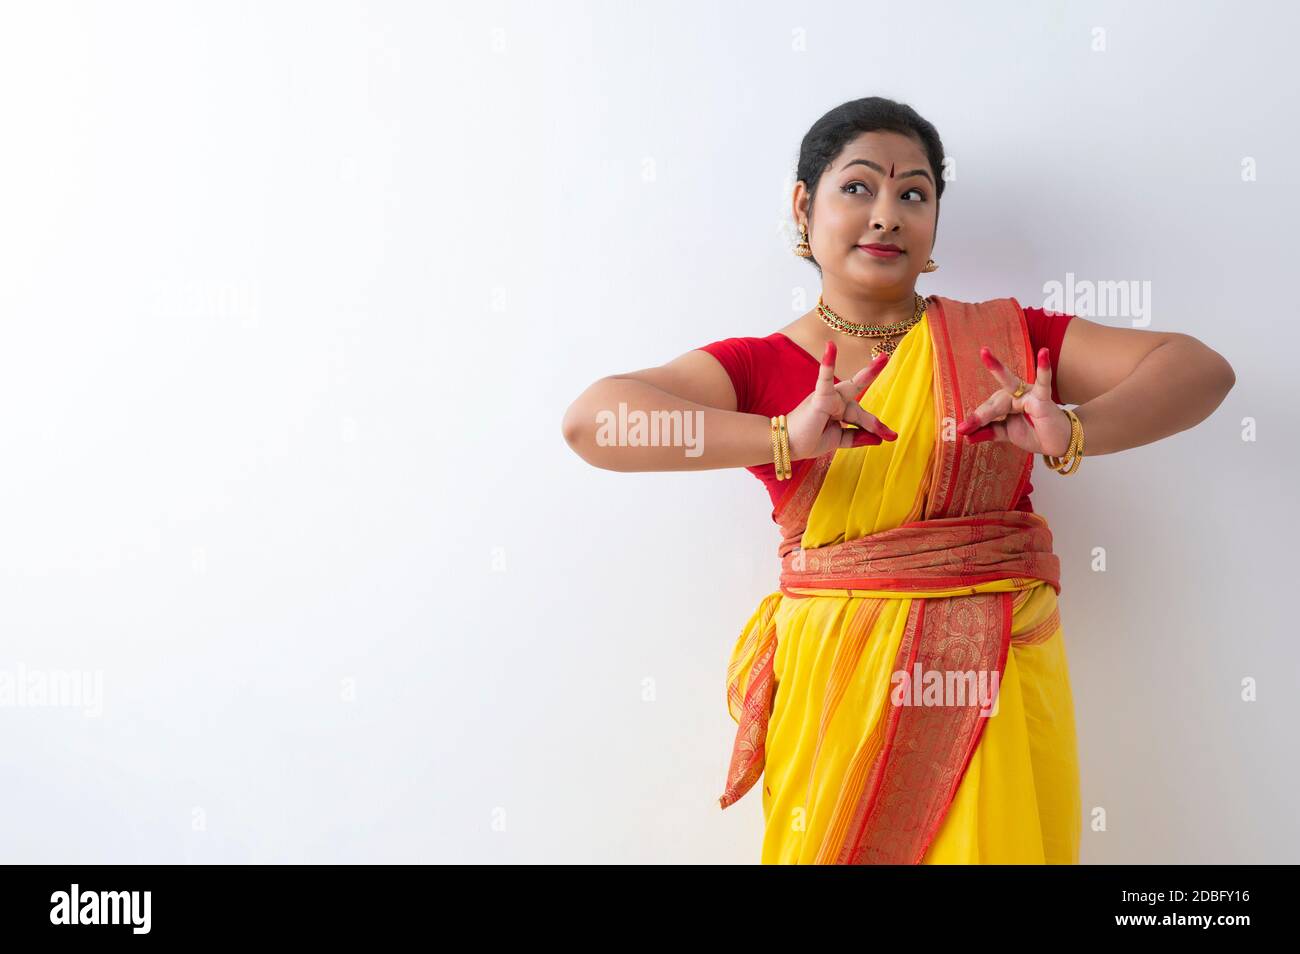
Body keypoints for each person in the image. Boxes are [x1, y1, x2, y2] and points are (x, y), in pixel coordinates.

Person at [560, 96, 1236, 864]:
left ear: (935, 224)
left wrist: (1073, 431)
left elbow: (1198, 369)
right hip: (841, 701)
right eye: (858, 188)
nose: (887, 215)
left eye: (914, 194)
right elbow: (594, 423)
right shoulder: (763, 366)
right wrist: (783, 435)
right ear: (802, 205)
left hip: (994, 694)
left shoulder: (1006, 342)